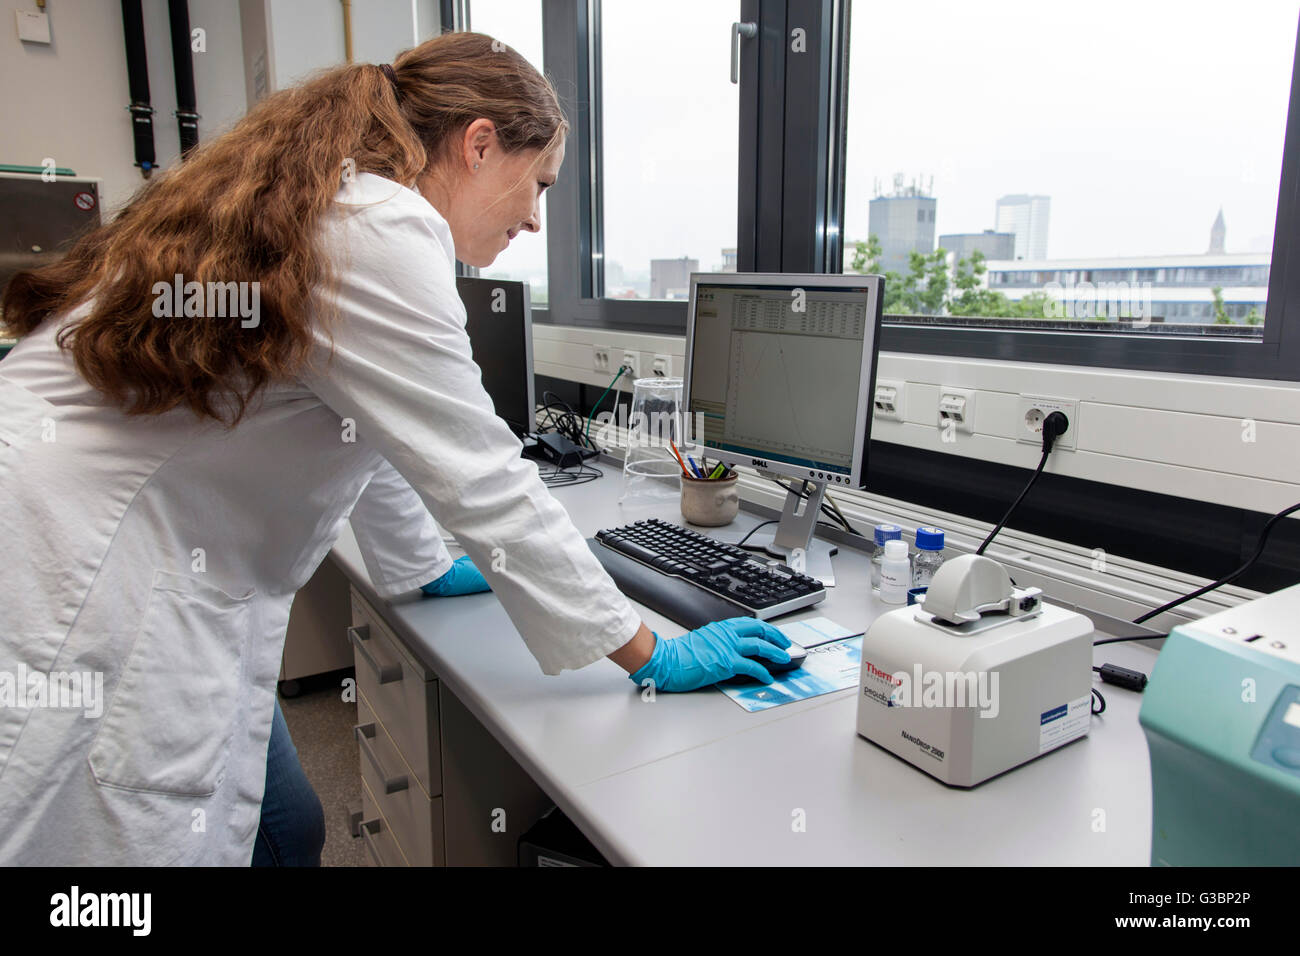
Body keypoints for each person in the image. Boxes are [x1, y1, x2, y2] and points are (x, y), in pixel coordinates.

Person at [0, 31, 789, 866]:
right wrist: (650, 651)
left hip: (119, 541)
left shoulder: (334, 207)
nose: (534, 217)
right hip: (85, 574)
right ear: (479, 143)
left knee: (284, 829)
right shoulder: (380, 226)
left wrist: (418, 566)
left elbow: (362, 427)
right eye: (540, 184)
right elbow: (487, 479)